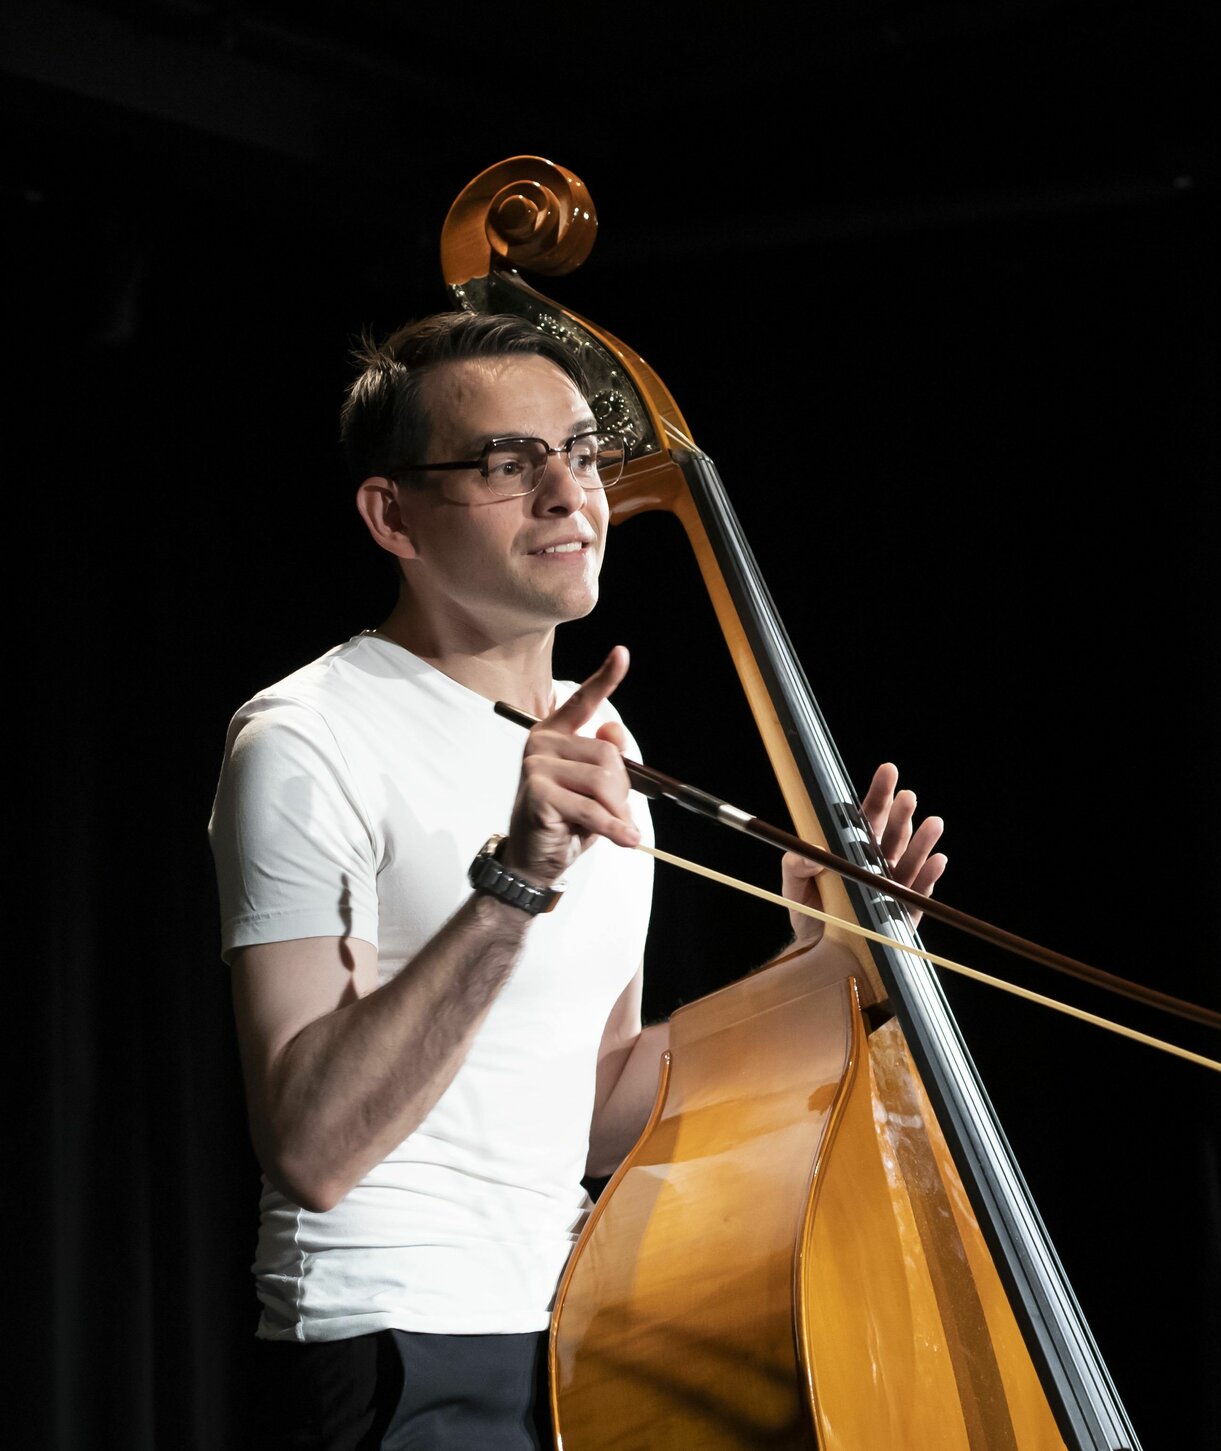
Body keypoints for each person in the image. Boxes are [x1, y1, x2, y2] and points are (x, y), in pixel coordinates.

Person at [208, 312, 947, 1448]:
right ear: (389, 513)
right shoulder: (305, 736)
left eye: (583, 453)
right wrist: (516, 877)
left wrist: (825, 958)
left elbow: (596, 1106)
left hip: (574, 1333)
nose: (569, 493)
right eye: (508, 463)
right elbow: (311, 1147)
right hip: (389, 1342)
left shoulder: (604, 738)